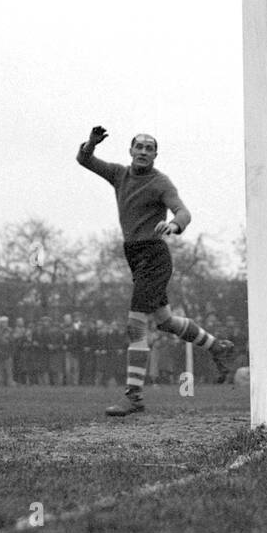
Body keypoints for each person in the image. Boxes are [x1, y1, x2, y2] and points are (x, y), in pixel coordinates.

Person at [76, 125, 233, 417]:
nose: (144, 152)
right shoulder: (119, 174)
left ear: (156, 155)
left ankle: (133, 396)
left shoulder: (161, 183)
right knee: (164, 321)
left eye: (150, 148)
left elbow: (183, 212)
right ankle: (216, 346)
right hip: (134, 256)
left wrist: (174, 225)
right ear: (131, 151)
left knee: (135, 326)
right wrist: (91, 144)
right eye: (140, 147)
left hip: (154, 255)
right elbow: (85, 161)